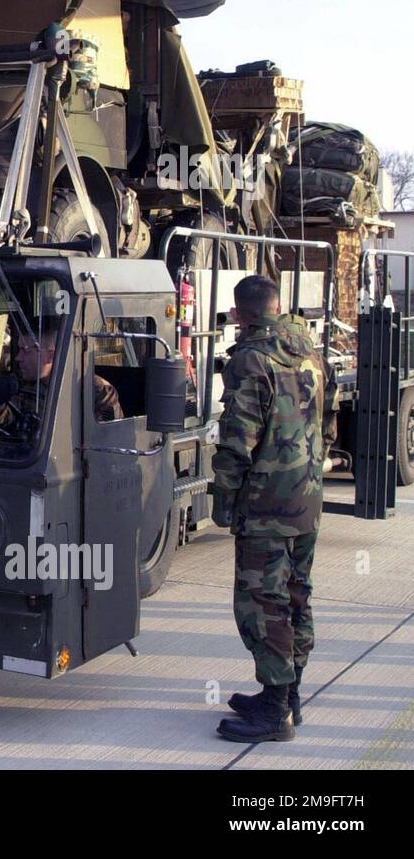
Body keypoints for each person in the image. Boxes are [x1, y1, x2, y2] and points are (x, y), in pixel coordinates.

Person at [212, 274, 335, 743]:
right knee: (297, 596)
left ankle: (274, 710)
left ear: (241, 312)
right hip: (307, 499)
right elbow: (327, 426)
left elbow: (238, 440)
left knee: (263, 605)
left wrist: (224, 499)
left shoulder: (250, 360)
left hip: (266, 507)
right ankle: (288, 696)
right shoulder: (311, 353)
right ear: (278, 306)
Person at [0, 326, 122, 436]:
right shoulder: (23, 384)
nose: (18, 358)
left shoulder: (95, 390)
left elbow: (107, 438)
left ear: (51, 356)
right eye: (19, 350)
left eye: (25, 351)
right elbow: (8, 423)